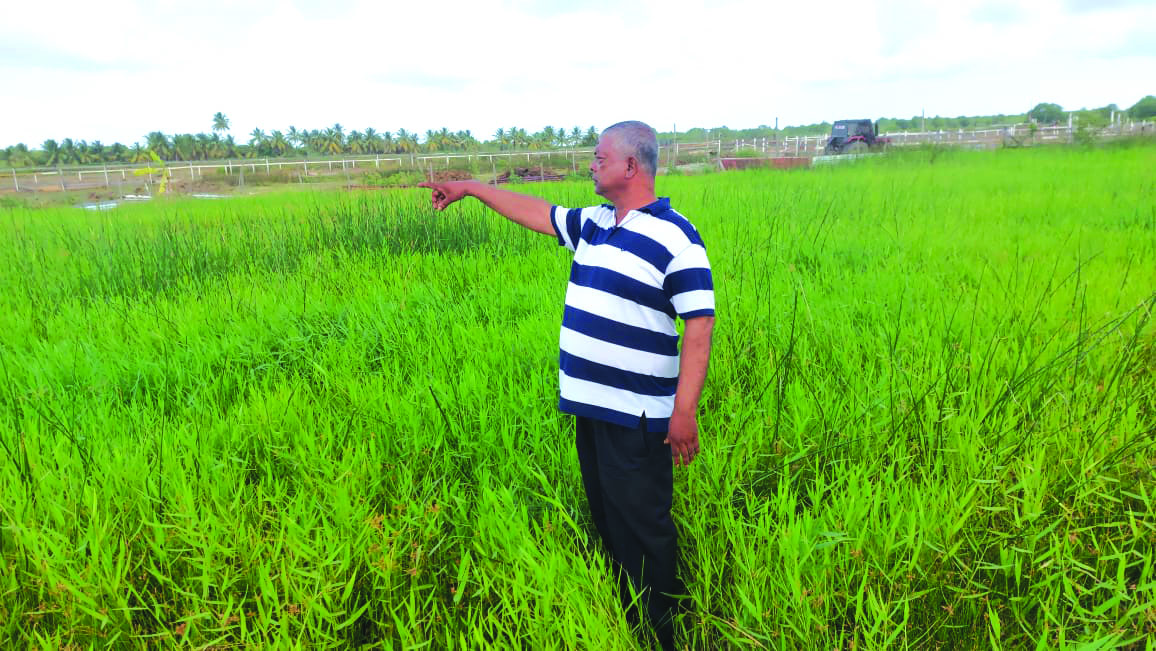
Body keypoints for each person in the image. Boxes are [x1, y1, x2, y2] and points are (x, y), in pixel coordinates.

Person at [418, 120, 715, 650]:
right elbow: (535, 211)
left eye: (600, 157)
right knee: (606, 514)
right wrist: (471, 189)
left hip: (639, 414)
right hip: (591, 408)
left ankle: (663, 632)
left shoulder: (677, 238)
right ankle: (628, 613)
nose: (591, 164)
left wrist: (684, 409)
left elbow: (699, 324)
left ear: (631, 166)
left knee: (643, 524)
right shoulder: (594, 223)